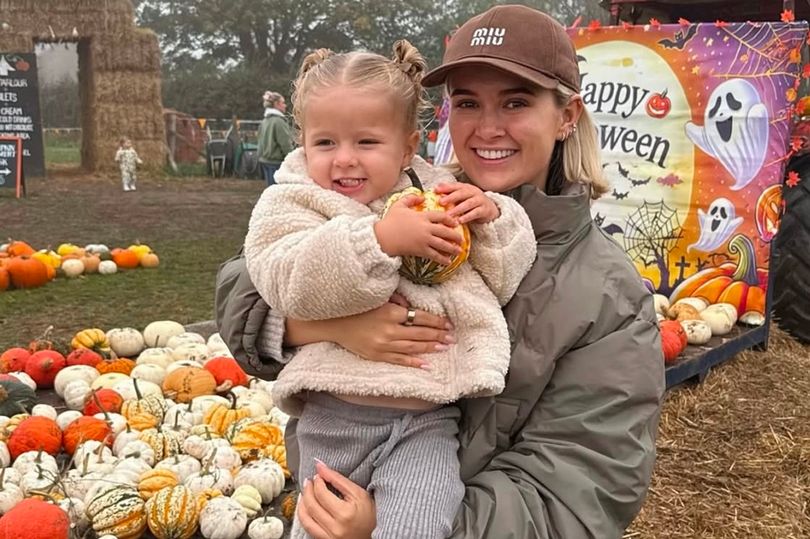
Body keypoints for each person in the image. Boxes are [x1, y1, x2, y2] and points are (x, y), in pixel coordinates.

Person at [216, 5, 665, 538]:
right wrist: (314, 328)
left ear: (567, 114)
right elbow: (248, 278)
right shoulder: (397, 194)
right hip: (335, 467)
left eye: (516, 102)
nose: (488, 127)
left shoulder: (608, 294)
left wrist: (389, 523)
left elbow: (580, 491)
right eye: (468, 102)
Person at [243, 40, 536, 539]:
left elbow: (502, 278)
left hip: (428, 420)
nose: (344, 161)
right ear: (302, 142)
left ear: (407, 145)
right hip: (336, 418)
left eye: (366, 142)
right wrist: (376, 240)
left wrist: (492, 220)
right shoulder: (292, 204)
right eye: (326, 143)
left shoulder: (437, 194)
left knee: (420, 524)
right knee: (320, 527)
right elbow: (287, 280)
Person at [257, 91, 294, 186]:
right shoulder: (279, 122)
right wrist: (293, 161)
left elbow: (260, 143)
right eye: (283, 102)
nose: (285, 105)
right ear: (276, 104)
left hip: (265, 161)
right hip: (276, 164)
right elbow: (285, 144)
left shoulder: (264, 121)